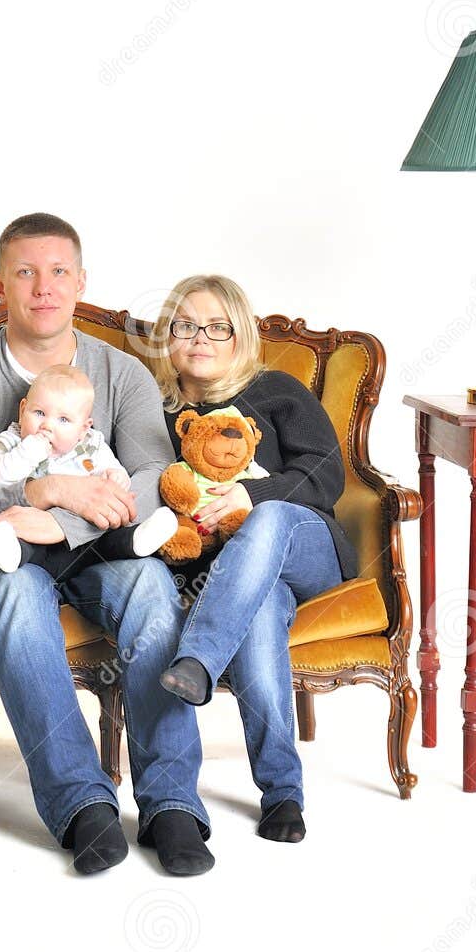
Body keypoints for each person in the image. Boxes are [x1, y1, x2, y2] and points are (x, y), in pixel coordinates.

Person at [0, 212, 215, 876]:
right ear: (0, 285)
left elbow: (152, 478)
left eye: (58, 272)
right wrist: (39, 493)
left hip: (97, 549)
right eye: (25, 272)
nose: (43, 288)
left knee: (149, 584)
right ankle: (81, 802)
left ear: (81, 282)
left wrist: (68, 519)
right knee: (20, 596)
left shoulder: (123, 374)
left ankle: (171, 802)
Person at [145, 274, 357, 844]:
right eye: (185, 325)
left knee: (268, 518)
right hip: (233, 572)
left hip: (305, 545)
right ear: (168, 336)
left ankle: (199, 660)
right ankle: (283, 793)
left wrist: (253, 495)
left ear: (240, 335)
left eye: (218, 326)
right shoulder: (157, 412)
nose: (201, 338)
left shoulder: (278, 390)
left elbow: (327, 475)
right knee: (261, 617)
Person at [0, 364, 178, 577]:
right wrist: (26, 454)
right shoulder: (13, 441)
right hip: (36, 536)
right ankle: (8, 550)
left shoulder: (91, 445)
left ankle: (138, 540)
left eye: (63, 419)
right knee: (18, 538)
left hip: (86, 537)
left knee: (109, 536)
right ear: (22, 410)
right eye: (39, 413)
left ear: (84, 429)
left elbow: (112, 469)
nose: (47, 426)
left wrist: (116, 478)